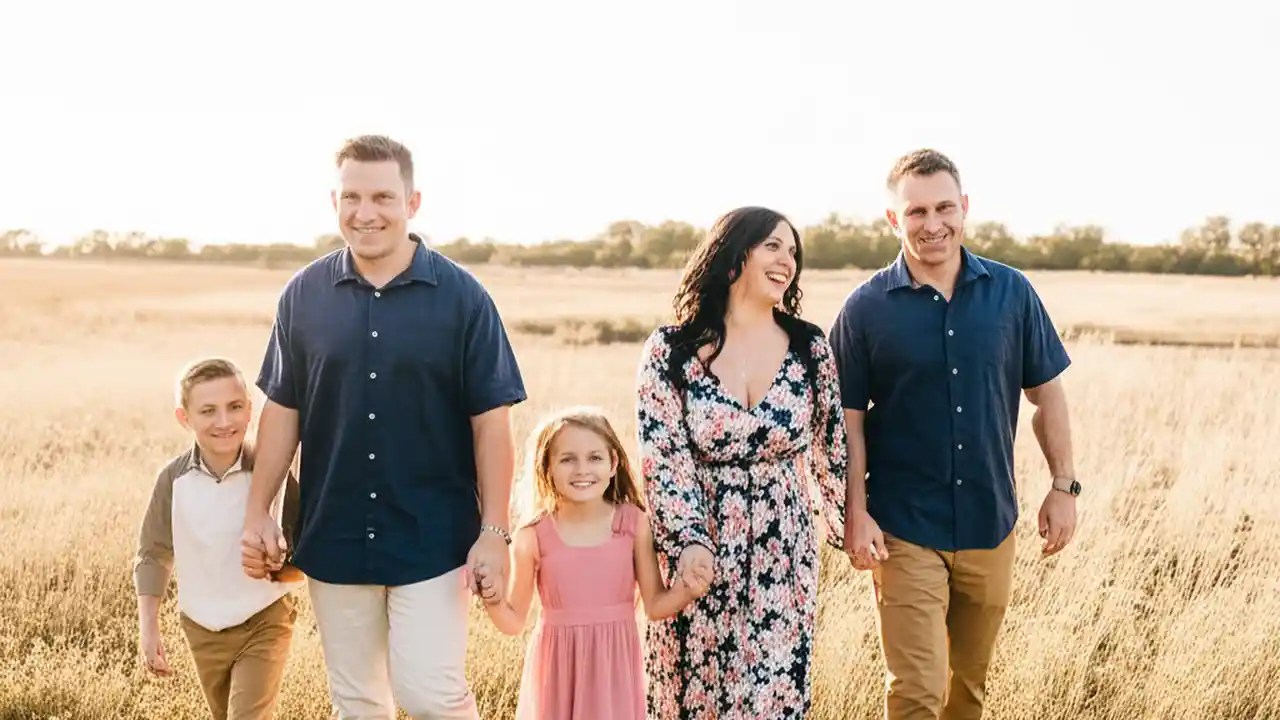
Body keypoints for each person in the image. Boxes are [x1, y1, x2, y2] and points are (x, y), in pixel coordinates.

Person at [238, 134, 527, 719]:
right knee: (358, 703)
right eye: (351, 197)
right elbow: (282, 411)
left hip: (434, 536)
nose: (364, 213)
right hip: (335, 531)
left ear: (412, 202)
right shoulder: (303, 295)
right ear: (334, 201)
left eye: (381, 197)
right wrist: (258, 510)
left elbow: (491, 425)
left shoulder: (463, 298)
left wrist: (494, 534)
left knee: (431, 695)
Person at [828, 148, 1079, 720]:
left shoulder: (1012, 294)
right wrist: (855, 510)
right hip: (904, 529)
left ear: (964, 208)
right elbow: (848, 420)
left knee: (967, 691)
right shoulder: (865, 309)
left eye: (944, 207)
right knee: (917, 690)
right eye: (916, 212)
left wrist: (1064, 485)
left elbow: (1047, 395)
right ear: (894, 220)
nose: (933, 223)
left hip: (991, 524)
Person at [634, 206, 850, 719]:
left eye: (793, 251)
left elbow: (831, 447)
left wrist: (849, 528)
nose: (787, 260)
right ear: (734, 256)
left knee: (774, 696)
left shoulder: (808, 346)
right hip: (699, 551)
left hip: (785, 552)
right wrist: (688, 541)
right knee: (696, 695)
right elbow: (662, 458)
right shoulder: (670, 350)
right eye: (772, 246)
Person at [473, 406, 710, 720]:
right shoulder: (533, 536)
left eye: (595, 458)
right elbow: (514, 622)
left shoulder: (633, 524)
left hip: (615, 674)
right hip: (557, 675)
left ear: (613, 464)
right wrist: (492, 600)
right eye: (567, 459)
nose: (582, 469)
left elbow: (654, 605)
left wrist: (686, 590)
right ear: (547, 468)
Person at [133, 357, 302, 720]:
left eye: (235, 407)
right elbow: (153, 553)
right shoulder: (172, 481)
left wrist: (280, 566)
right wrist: (149, 628)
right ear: (185, 418)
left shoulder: (273, 473)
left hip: (265, 620)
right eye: (208, 410)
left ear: (250, 409)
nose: (224, 422)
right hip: (201, 628)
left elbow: (302, 558)